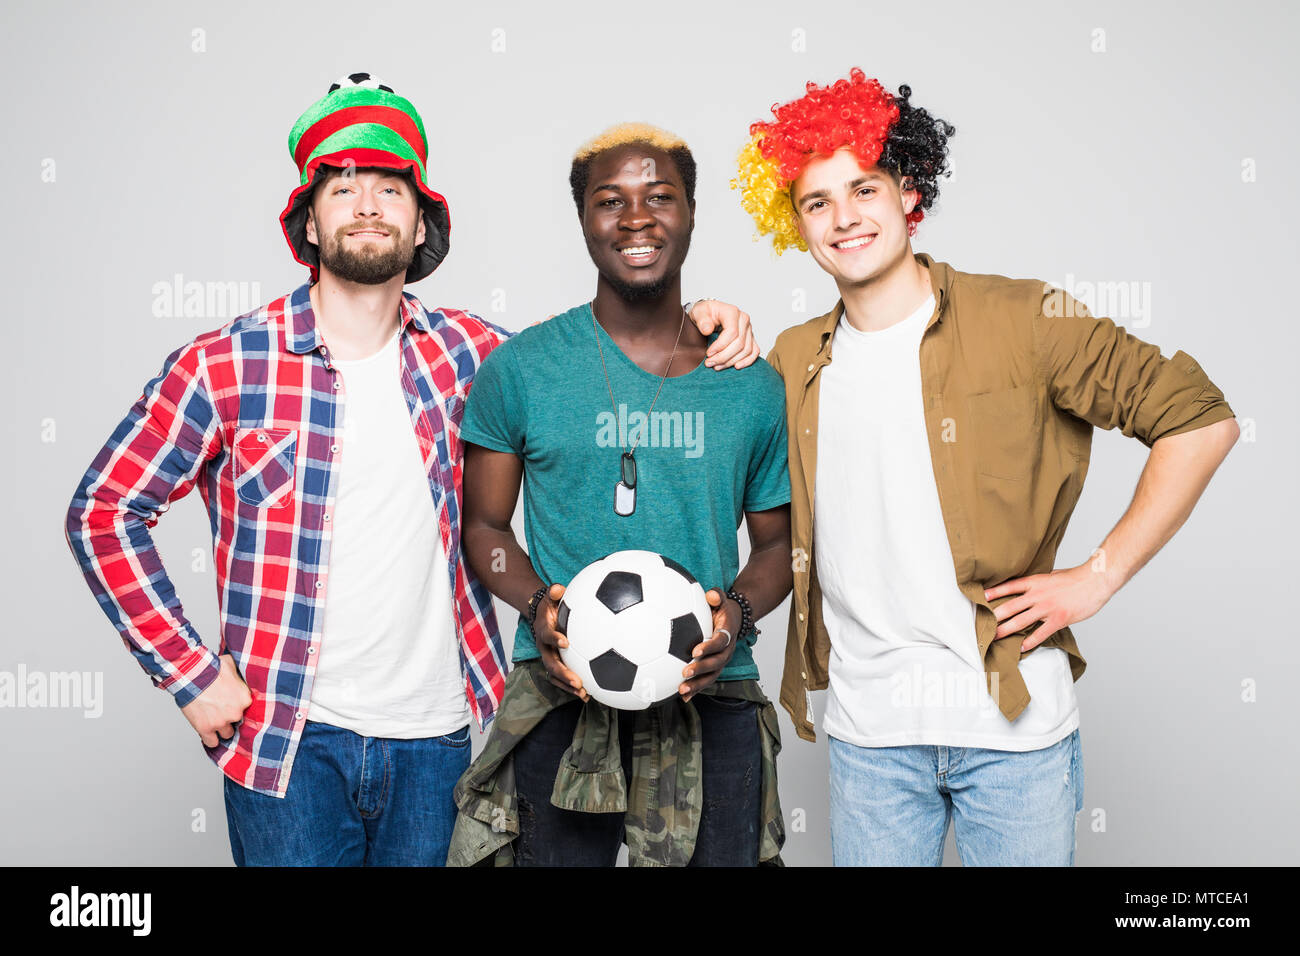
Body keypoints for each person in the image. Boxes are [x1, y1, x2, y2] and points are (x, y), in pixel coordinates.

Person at [63, 75, 758, 867]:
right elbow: (104, 510)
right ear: (309, 221)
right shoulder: (224, 365)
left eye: (390, 188)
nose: (366, 204)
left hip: (443, 743)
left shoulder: (478, 357)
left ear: (420, 219)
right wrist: (188, 674)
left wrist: (702, 323)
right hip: (286, 745)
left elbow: (600, 357)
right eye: (343, 186)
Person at [733, 68, 1239, 866]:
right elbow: (705, 419)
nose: (844, 218)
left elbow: (1200, 418)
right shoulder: (794, 358)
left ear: (909, 192)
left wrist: (1098, 576)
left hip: (1015, 736)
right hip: (870, 744)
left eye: (864, 188)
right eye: (816, 201)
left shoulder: (1028, 317)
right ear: (794, 224)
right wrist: (705, 318)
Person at [447, 123, 793, 867]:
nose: (636, 218)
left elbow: (776, 548)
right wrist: (539, 605)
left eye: (660, 196)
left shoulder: (753, 384)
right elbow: (484, 525)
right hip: (561, 692)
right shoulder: (524, 369)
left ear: (693, 212)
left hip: (715, 693)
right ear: (583, 221)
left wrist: (734, 616)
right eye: (611, 201)